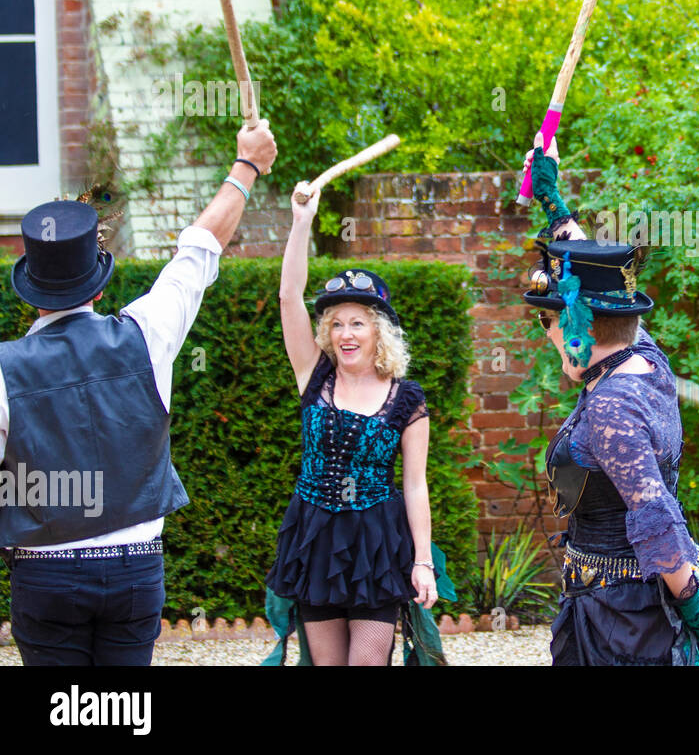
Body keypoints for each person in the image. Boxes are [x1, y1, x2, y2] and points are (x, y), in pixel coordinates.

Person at [0, 120, 278, 665]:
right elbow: (199, 249)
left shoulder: (4, 370)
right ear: (100, 283)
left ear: (31, 292)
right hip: (133, 568)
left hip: (45, 574)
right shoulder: (147, 333)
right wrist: (246, 166)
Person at [523, 135, 699, 666]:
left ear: (579, 325)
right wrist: (550, 194)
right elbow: (598, 273)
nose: (547, 334)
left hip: (627, 621)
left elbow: (654, 515)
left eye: (548, 321)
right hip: (617, 601)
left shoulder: (612, 406)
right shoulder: (642, 353)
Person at [264, 184, 439, 665]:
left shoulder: (407, 400)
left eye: (358, 322)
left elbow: (416, 485)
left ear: (378, 331)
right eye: (337, 323)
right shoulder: (313, 375)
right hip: (314, 533)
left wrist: (423, 562)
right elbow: (287, 296)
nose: (345, 333)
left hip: (377, 541)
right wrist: (302, 222)